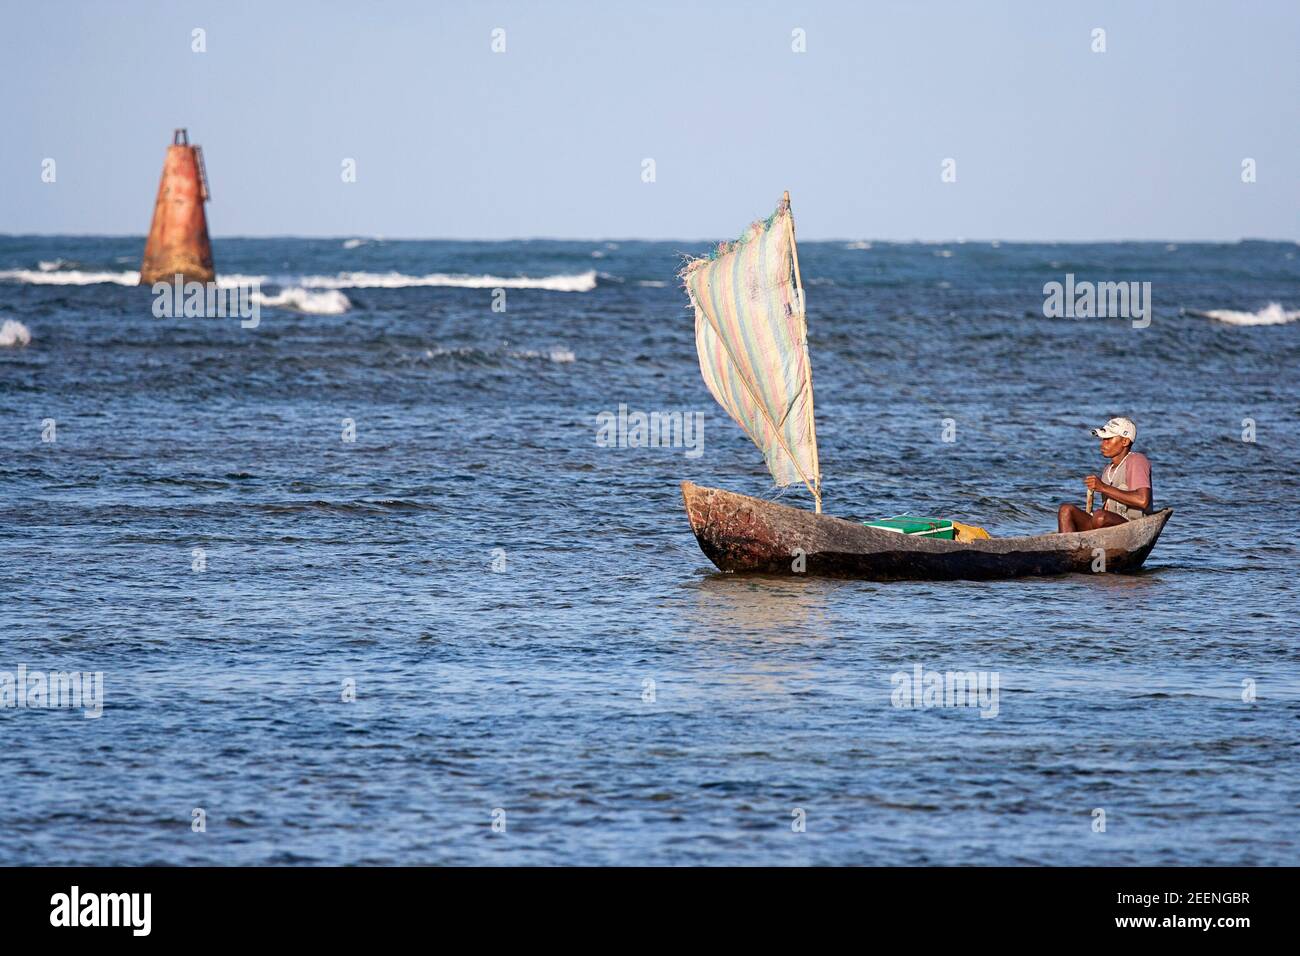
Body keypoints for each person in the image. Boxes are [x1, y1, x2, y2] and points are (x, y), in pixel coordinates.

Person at [1057, 417, 1153, 533]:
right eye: (1103, 440)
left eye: (1108, 439)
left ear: (1125, 442)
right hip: (1108, 525)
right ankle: (1070, 549)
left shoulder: (1136, 460)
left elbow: (1142, 500)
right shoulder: (1108, 470)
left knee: (1100, 517)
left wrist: (1102, 487)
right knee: (1066, 510)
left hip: (1133, 526)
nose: (1103, 444)